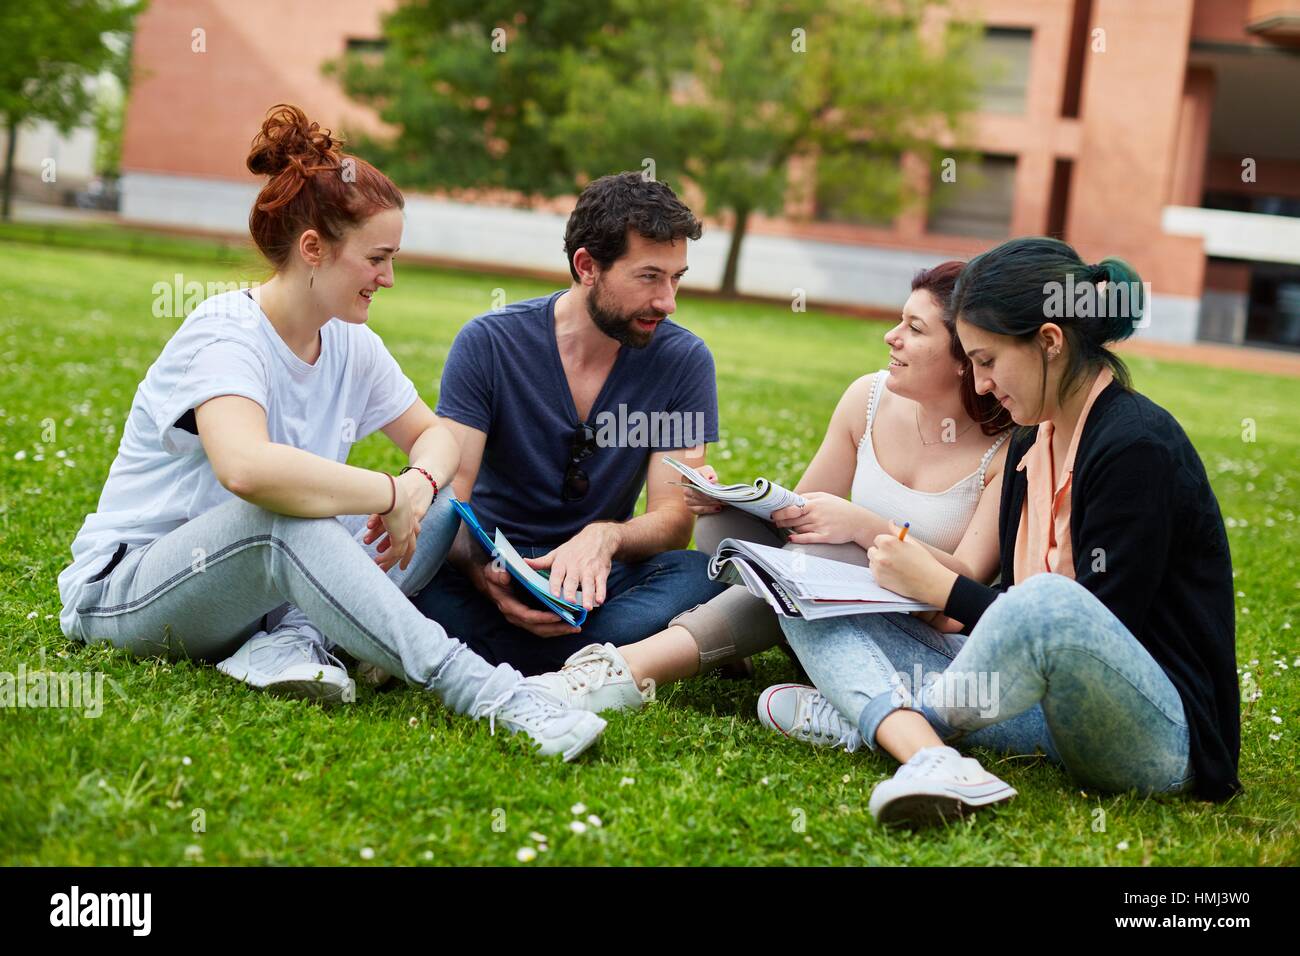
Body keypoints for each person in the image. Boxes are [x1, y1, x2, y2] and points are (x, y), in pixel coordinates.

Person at [54, 104, 605, 760]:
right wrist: (384, 491)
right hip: (134, 591)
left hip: (252, 597)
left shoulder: (349, 341)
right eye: (377, 257)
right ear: (313, 248)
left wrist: (419, 483)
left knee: (438, 509)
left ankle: (288, 643)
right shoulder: (223, 331)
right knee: (284, 516)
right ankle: (489, 694)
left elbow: (438, 441)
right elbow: (248, 470)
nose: (389, 277)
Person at [786, 237, 1241, 827]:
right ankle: (917, 742)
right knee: (806, 596)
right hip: (1040, 705)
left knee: (1050, 602)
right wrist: (920, 593)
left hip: (1155, 738)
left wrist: (944, 590)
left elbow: (1088, 630)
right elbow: (1001, 626)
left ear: (1049, 342)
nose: (978, 385)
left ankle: (880, 717)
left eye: (987, 360)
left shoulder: (1135, 446)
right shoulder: (1031, 438)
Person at [527, 261, 1017, 722]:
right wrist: (731, 500)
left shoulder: (1005, 451)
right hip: (823, 594)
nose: (892, 337)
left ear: (965, 357)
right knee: (727, 526)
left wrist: (866, 528)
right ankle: (728, 638)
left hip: (904, 631)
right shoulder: (867, 398)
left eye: (915, 328)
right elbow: (798, 513)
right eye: (899, 321)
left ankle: (623, 671)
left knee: (825, 554)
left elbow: (964, 589)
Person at [410, 172, 728, 675]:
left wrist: (607, 538)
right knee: (418, 571)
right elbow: (453, 495)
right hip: (492, 562)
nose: (668, 301)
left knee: (702, 575)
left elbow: (672, 518)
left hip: (599, 581)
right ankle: (591, 660)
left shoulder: (683, 360)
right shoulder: (489, 343)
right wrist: (478, 570)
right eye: (649, 276)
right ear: (587, 266)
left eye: (676, 278)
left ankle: (481, 652)